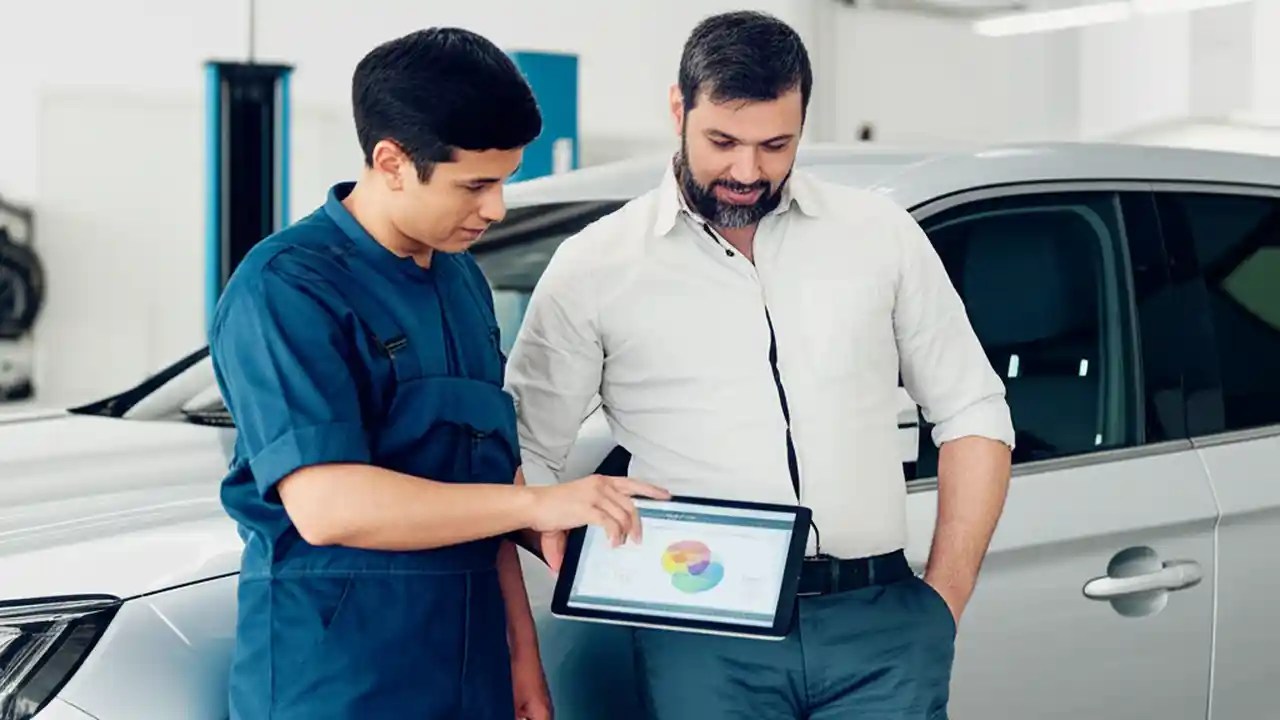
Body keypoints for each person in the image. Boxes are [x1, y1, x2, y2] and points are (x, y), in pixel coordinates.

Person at [504, 10, 1013, 720]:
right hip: (700, 632)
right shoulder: (596, 265)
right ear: (678, 108)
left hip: (882, 623)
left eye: (777, 144)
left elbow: (974, 411)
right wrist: (582, 558)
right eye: (723, 141)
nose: (748, 171)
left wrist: (944, 597)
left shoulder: (878, 236)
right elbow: (523, 454)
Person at [209, 27, 669, 720]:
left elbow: (487, 485)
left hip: (469, 677)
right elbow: (329, 504)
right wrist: (537, 504)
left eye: (505, 181)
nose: (496, 209)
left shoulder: (461, 282)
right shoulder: (286, 288)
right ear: (392, 161)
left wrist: (522, 660)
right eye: (475, 185)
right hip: (338, 685)